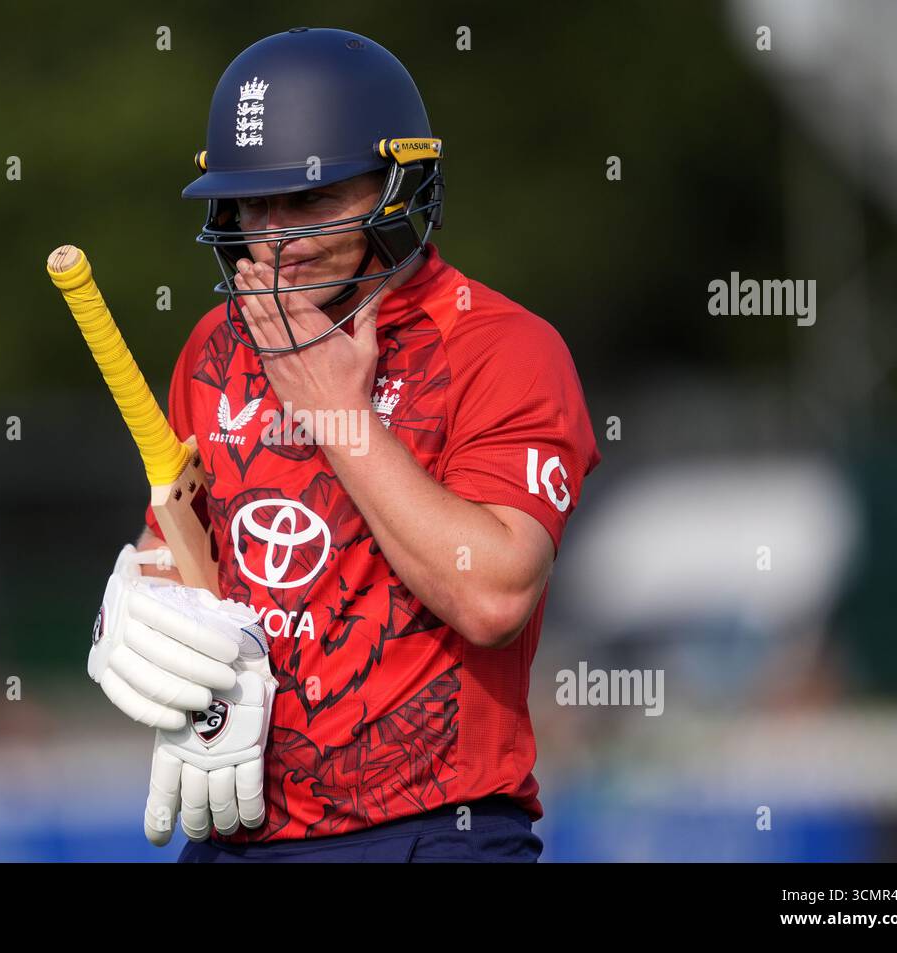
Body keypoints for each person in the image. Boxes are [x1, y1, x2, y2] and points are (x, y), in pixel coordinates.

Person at [88, 27, 600, 862]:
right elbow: (193, 549)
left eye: (311, 201)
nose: (273, 238)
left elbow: (496, 594)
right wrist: (138, 602)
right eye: (253, 205)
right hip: (240, 829)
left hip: (432, 829)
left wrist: (337, 412)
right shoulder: (215, 346)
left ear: (400, 189)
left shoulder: (503, 347)